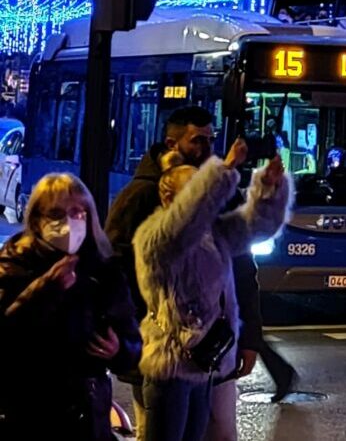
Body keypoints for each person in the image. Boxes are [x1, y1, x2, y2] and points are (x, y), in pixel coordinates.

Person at [106, 106, 278, 441]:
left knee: (219, 431)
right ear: (172, 144)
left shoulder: (214, 193)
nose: (206, 149)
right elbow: (117, 270)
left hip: (212, 346)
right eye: (197, 140)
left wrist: (248, 335)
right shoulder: (144, 198)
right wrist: (131, 336)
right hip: (164, 350)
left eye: (210, 139)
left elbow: (242, 265)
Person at [135, 140, 292, 441]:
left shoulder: (213, 232)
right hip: (170, 364)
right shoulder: (154, 238)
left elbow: (255, 227)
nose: (204, 197)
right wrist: (225, 169)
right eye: (194, 190)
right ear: (169, 198)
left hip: (206, 359)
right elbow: (184, 222)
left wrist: (269, 189)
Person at [0, 173, 142, 440]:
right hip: (27, 417)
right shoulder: (15, 263)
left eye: (78, 212)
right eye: (55, 214)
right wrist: (45, 290)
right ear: (37, 219)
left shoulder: (103, 269)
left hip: (87, 420)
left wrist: (119, 349)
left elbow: (132, 342)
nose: (68, 223)